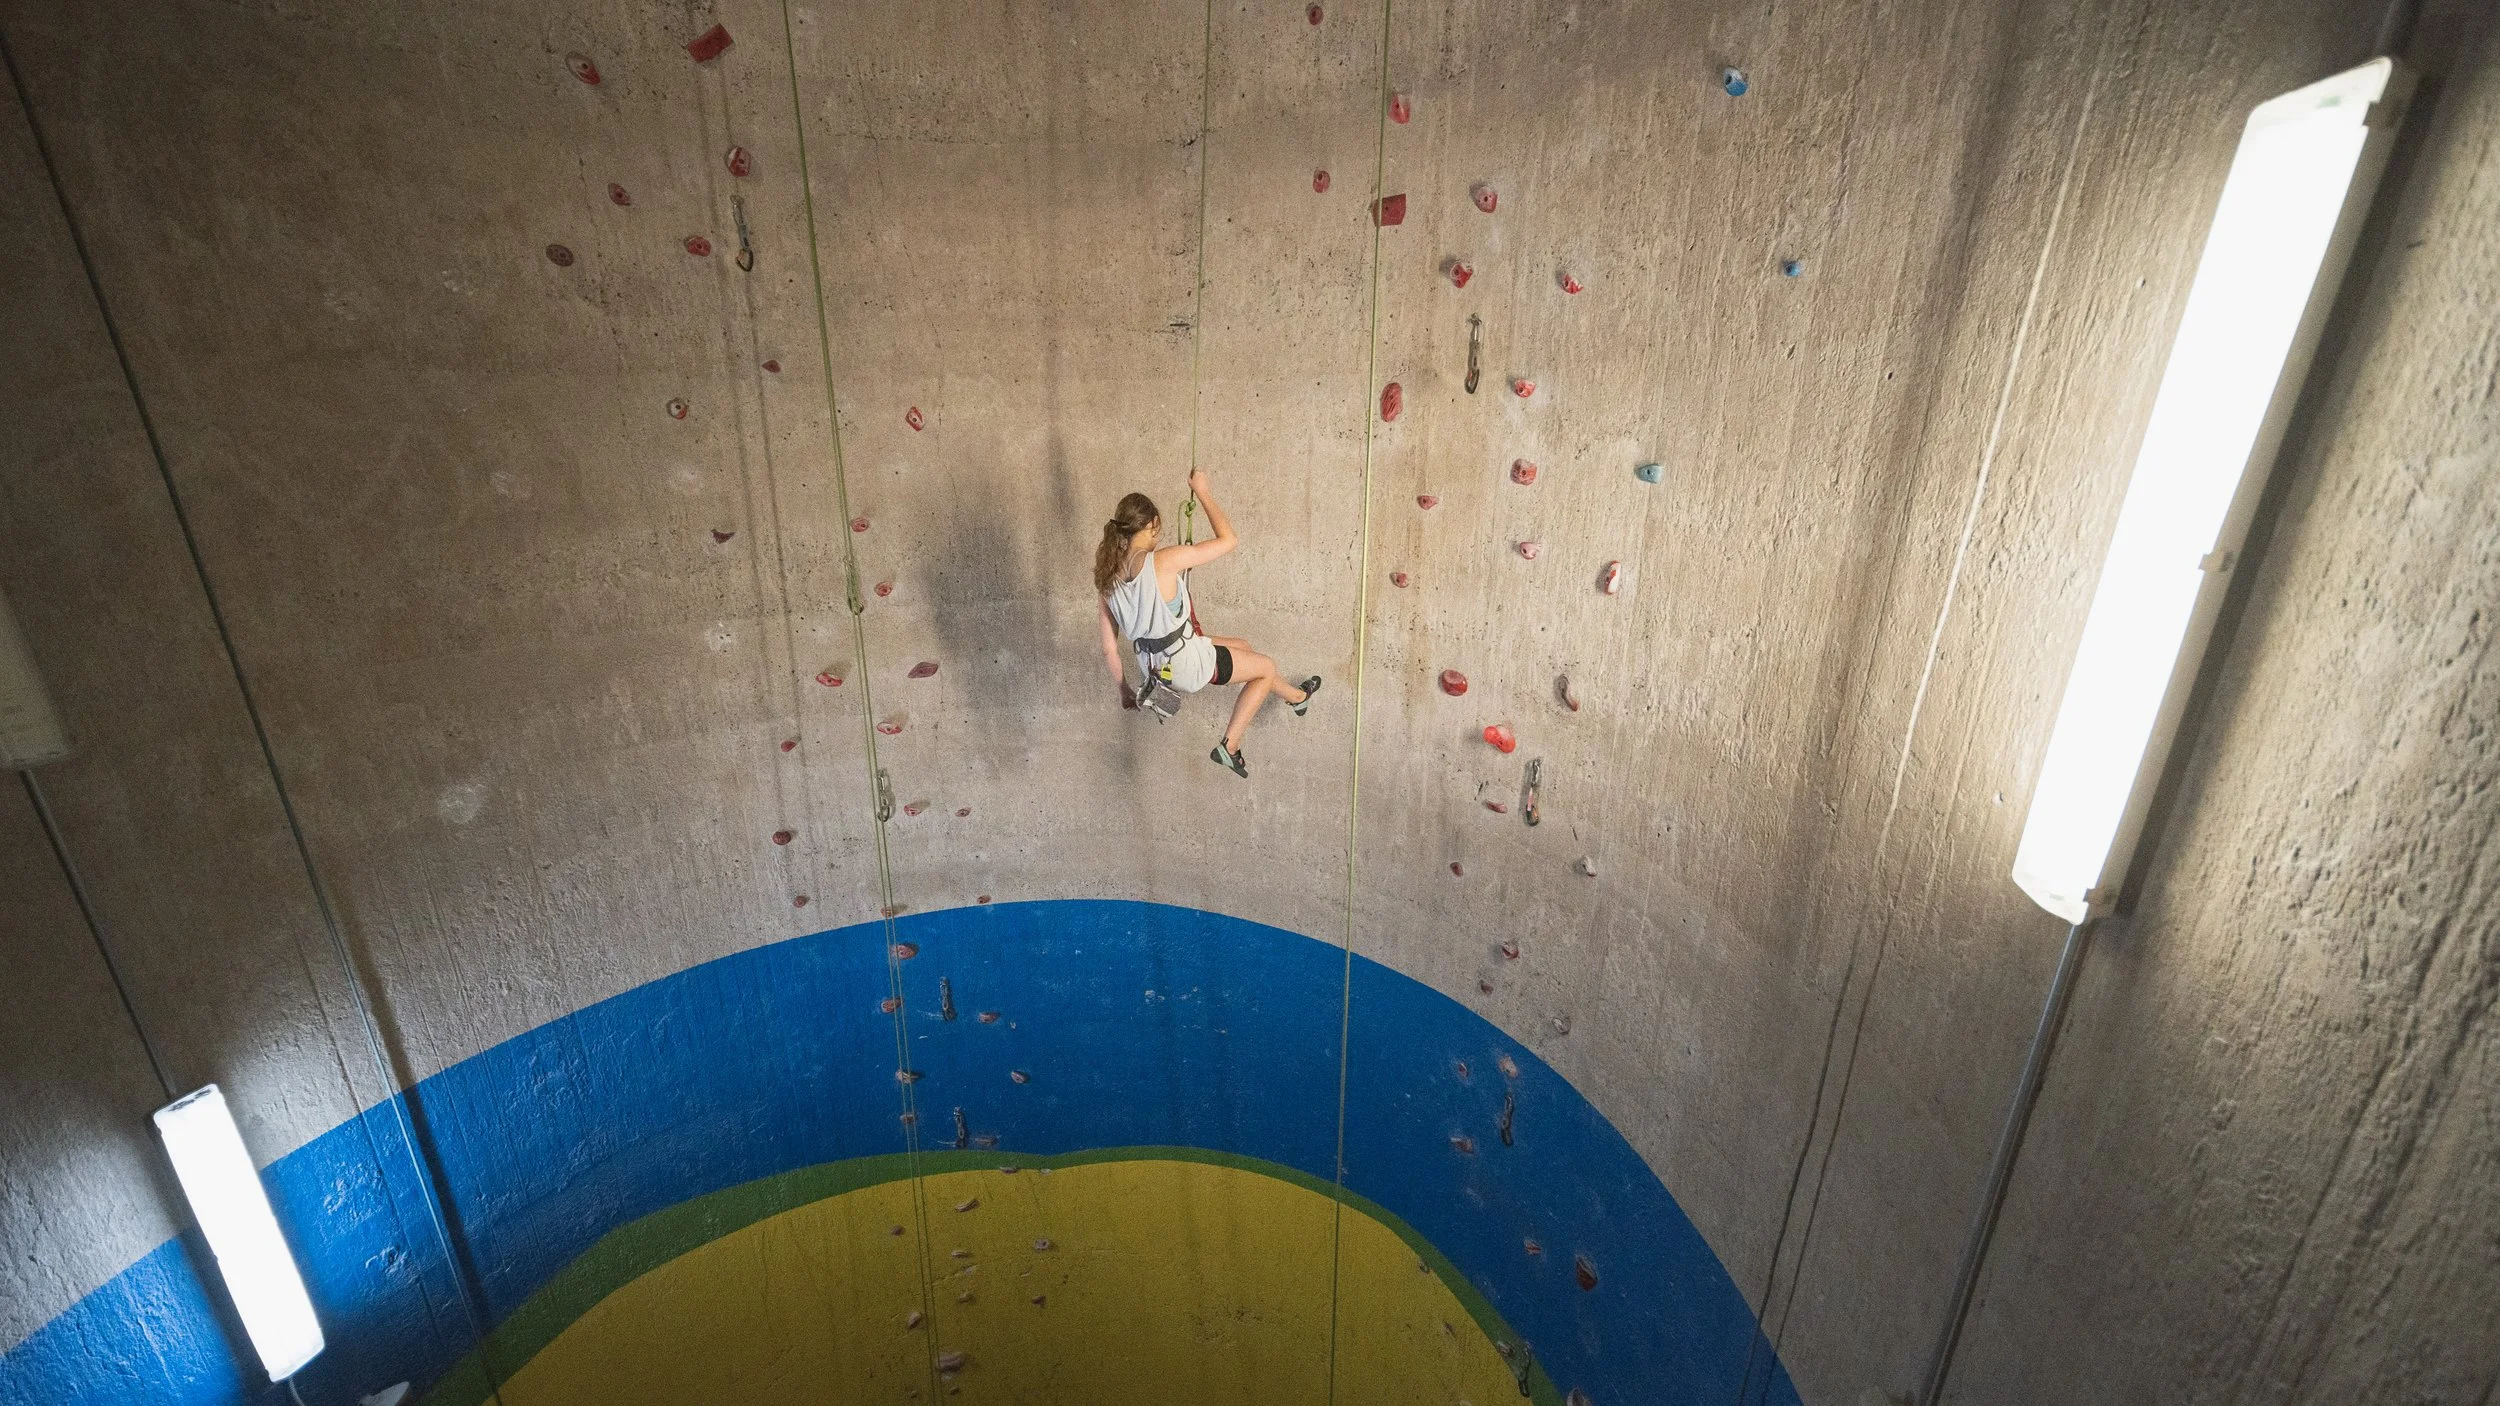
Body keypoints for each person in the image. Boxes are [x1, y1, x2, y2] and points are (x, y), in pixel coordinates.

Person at [1095, 470, 1319, 778]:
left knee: (1243, 649)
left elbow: (1109, 649)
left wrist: (1124, 690)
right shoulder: (1163, 561)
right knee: (1265, 667)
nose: (1158, 537)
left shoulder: (1107, 580)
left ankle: (1297, 698)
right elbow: (1229, 540)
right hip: (1185, 663)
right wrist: (1202, 491)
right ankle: (1230, 746)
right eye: (1156, 530)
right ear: (1149, 526)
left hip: (1153, 668)